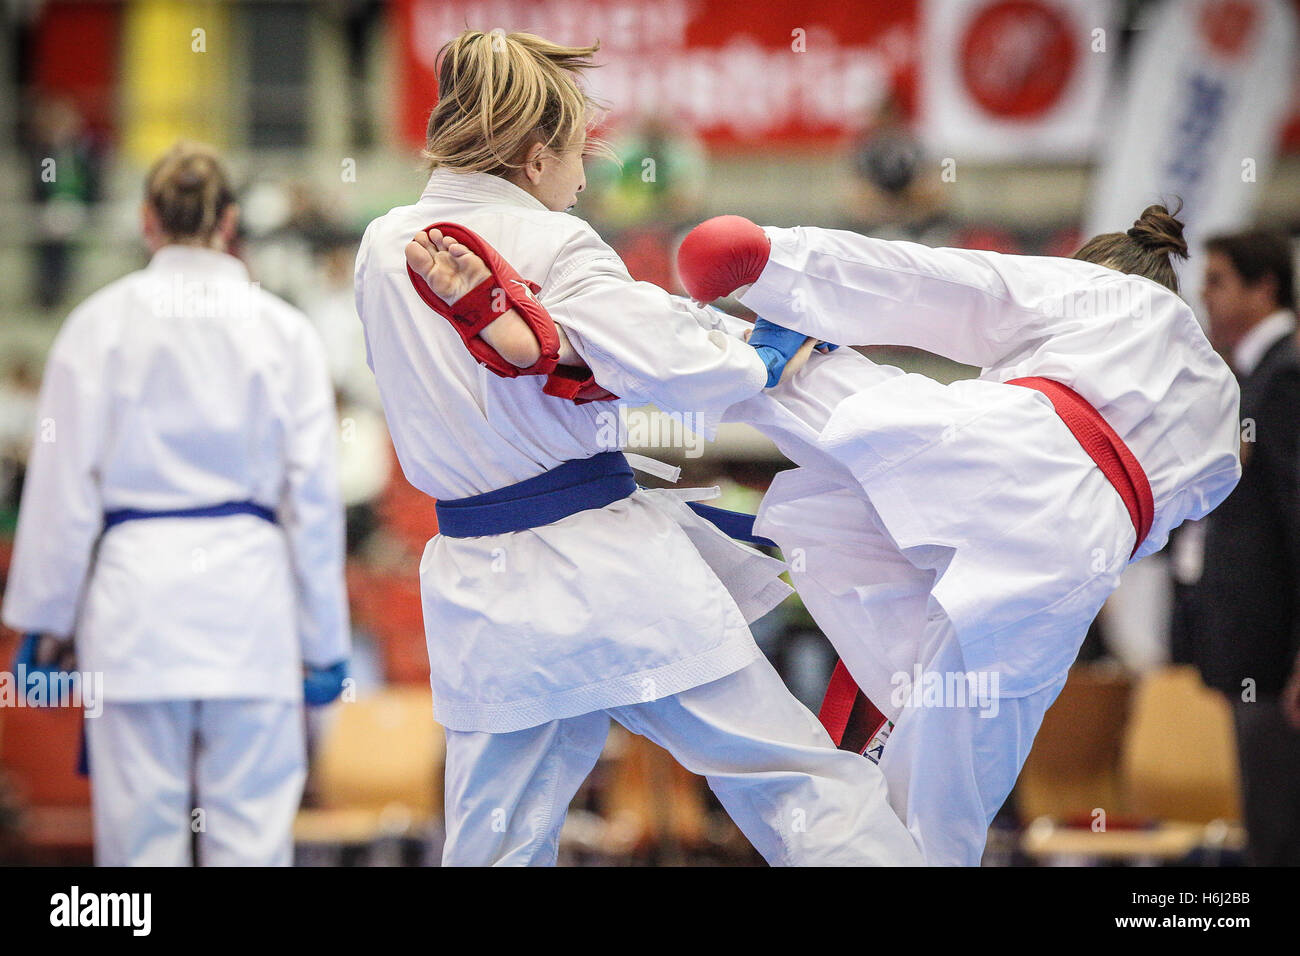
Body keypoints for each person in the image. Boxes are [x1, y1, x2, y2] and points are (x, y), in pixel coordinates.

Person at [354, 29, 922, 866]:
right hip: (603, 570)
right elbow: (676, 362)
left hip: (482, 583)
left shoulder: (378, 246)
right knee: (792, 779)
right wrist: (763, 351)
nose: (585, 179)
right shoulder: (556, 244)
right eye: (581, 155)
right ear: (536, 155)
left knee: (493, 843)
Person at [661, 205, 1241, 865]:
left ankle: (708, 337)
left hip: (1006, 448)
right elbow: (1191, 505)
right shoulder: (1223, 401)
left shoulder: (1098, 288)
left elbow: (947, 283)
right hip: (1078, 552)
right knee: (947, 782)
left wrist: (777, 260)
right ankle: (774, 354)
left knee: (857, 415)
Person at [1, 142, 351, 866]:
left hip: (136, 610)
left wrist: (43, 619)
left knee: (139, 851)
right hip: (249, 609)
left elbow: (62, 486)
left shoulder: (97, 326)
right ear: (229, 223)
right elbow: (313, 499)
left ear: (145, 220)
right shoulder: (283, 331)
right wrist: (324, 641)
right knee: (252, 844)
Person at [1186, 229, 1300, 865]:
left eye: (1219, 280)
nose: (1204, 293)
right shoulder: (1252, 377)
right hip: (1254, 650)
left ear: (1265, 288)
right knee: (1266, 831)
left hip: (1278, 656)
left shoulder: (1286, 378)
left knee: (1279, 840)